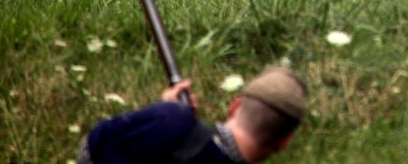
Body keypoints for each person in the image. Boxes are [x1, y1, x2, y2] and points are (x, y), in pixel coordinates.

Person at [78, 66, 305, 163]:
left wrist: (165, 112)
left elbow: (92, 149)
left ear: (234, 106)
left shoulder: (171, 122)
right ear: (283, 142)